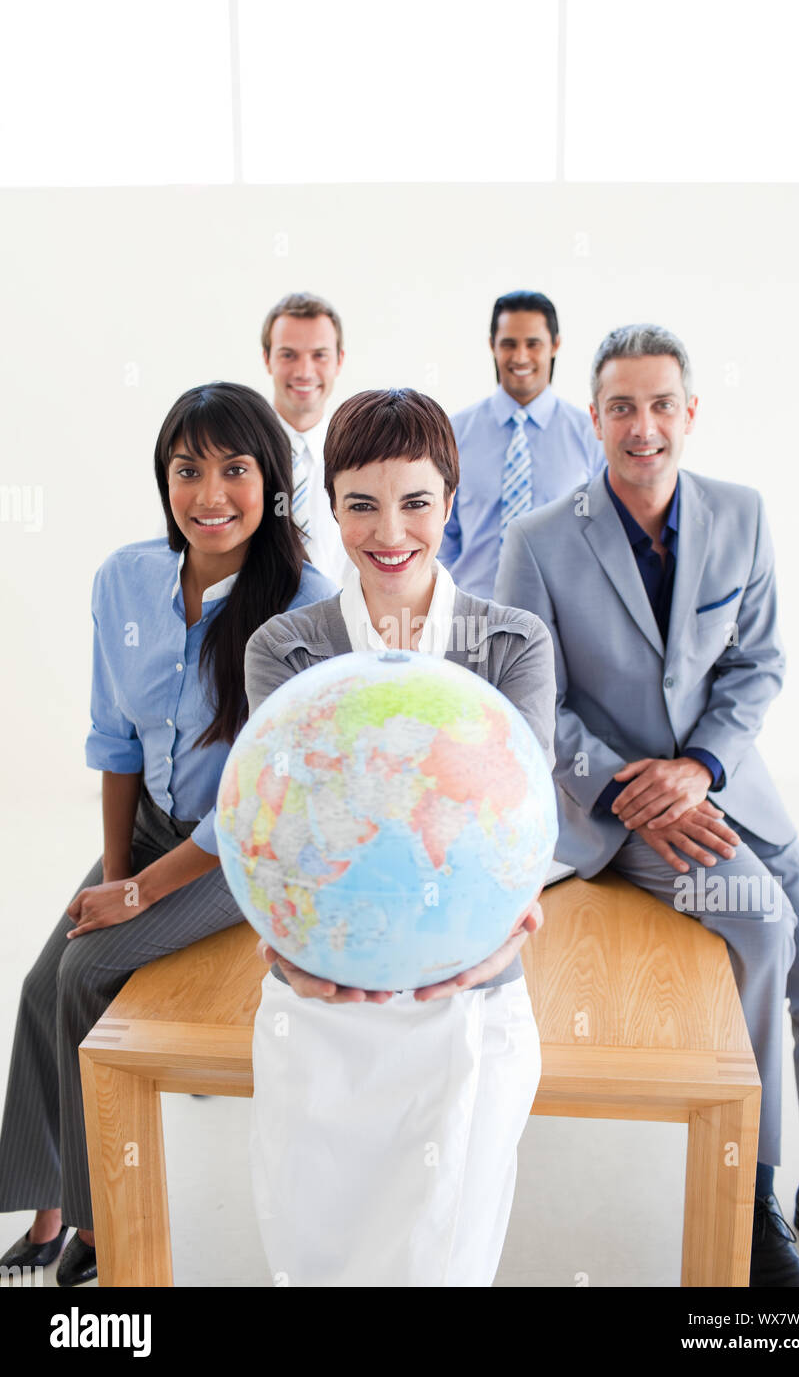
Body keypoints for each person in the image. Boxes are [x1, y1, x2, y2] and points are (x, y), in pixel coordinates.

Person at [495, 323, 799, 1288]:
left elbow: (758, 662)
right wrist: (633, 786)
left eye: (662, 404)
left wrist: (700, 764)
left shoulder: (741, 514)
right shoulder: (537, 542)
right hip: (615, 812)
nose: (642, 425)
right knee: (764, 929)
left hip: (730, 784)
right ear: (595, 417)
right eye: (621, 405)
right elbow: (530, 702)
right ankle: (752, 1202)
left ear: (690, 415)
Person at [0, 382, 335, 1287]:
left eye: (235, 469)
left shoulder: (308, 603)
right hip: (151, 824)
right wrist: (118, 876)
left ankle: (102, 1232)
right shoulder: (125, 578)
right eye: (189, 470)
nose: (211, 493)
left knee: (87, 971)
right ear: (165, 479)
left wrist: (140, 897)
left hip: (244, 848)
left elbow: (262, 799)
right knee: (43, 982)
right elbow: (115, 742)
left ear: (271, 482)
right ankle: (54, 1206)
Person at [243, 387, 556, 1287]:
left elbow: (521, 824)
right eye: (362, 503)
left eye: (417, 501)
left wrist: (506, 920)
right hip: (319, 997)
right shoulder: (286, 650)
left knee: (437, 1259)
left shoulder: (511, 644)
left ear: (450, 501)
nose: (392, 530)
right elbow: (273, 832)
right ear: (330, 507)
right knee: (314, 1253)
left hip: (470, 994)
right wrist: (284, 943)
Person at [438, 289, 605, 598]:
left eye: (533, 344)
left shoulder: (592, 435)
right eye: (509, 344)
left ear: (555, 345)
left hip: (561, 620)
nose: (520, 357)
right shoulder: (452, 432)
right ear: (492, 346)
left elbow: (605, 534)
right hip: (471, 618)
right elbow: (438, 532)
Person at [261, 289, 349, 585]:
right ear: (267, 359)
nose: (304, 371)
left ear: (339, 361)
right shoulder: (230, 452)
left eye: (319, 355)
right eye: (289, 355)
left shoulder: (359, 456)